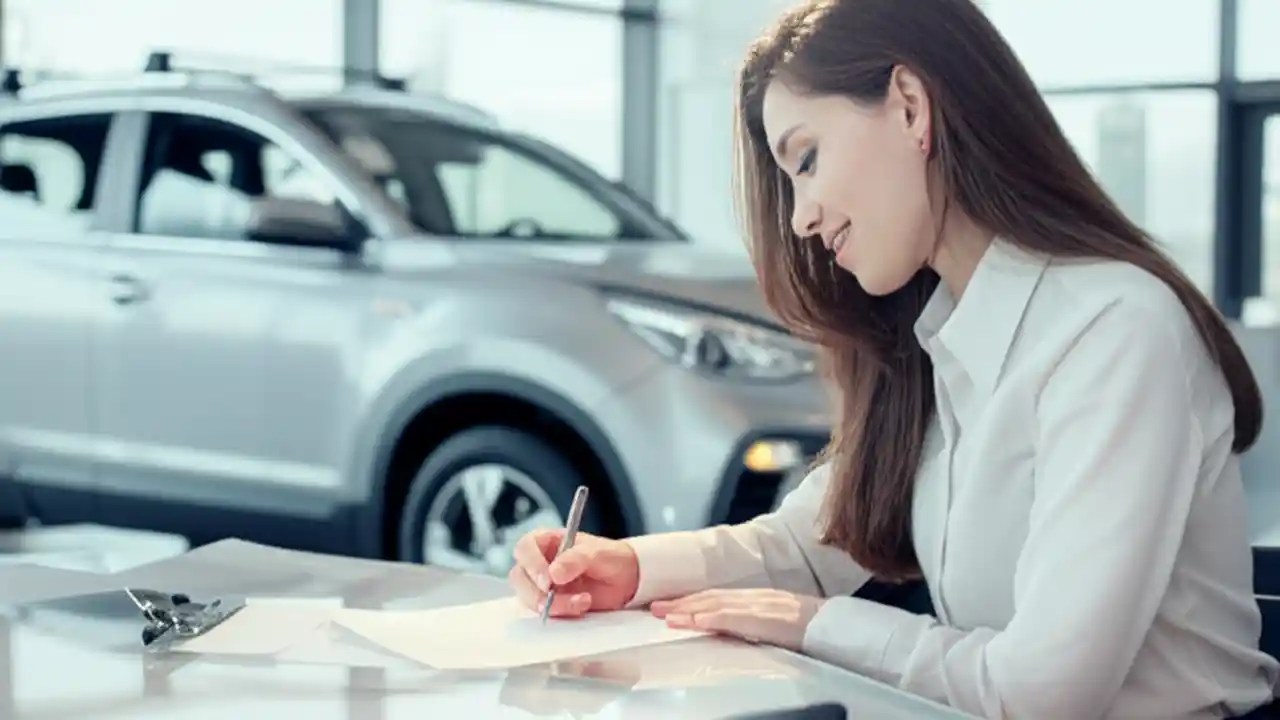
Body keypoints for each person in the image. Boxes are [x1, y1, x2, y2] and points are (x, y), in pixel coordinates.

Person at [509, 0, 1280, 717]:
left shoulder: (1114, 329)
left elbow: (1043, 692)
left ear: (911, 107)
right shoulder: (936, 343)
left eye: (805, 160)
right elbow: (801, 547)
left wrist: (815, 626)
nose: (803, 217)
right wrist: (627, 569)